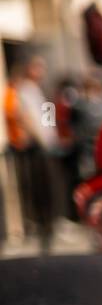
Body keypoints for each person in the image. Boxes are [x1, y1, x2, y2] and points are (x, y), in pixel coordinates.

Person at [4, 54, 57, 247]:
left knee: (46, 186)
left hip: (44, 144)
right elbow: (24, 116)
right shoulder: (25, 90)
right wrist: (40, 136)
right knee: (38, 187)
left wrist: (51, 136)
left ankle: (49, 225)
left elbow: (47, 114)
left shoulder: (39, 89)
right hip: (35, 146)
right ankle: (42, 225)